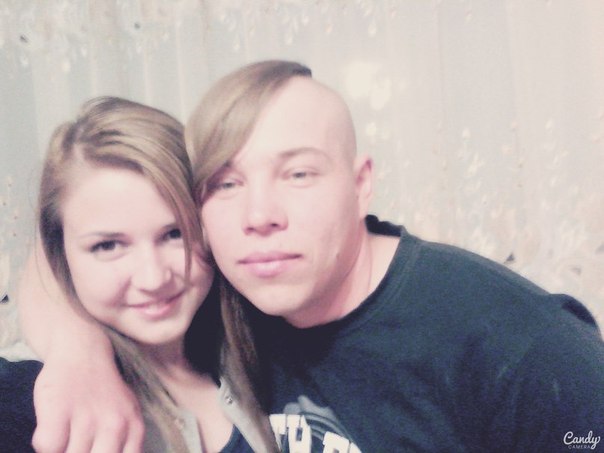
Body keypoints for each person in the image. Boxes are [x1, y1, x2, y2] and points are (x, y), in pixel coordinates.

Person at [24, 62, 604, 452]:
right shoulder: (241, 297)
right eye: (226, 184)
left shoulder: (520, 343)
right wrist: (78, 356)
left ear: (360, 183)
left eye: (298, 173)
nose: (259, 215)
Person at [9, 96, 276, 452]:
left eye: (175, 233)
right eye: (108, 246)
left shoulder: (263, 339)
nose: (153, 279)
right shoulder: (27, 398)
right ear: (62, 253)